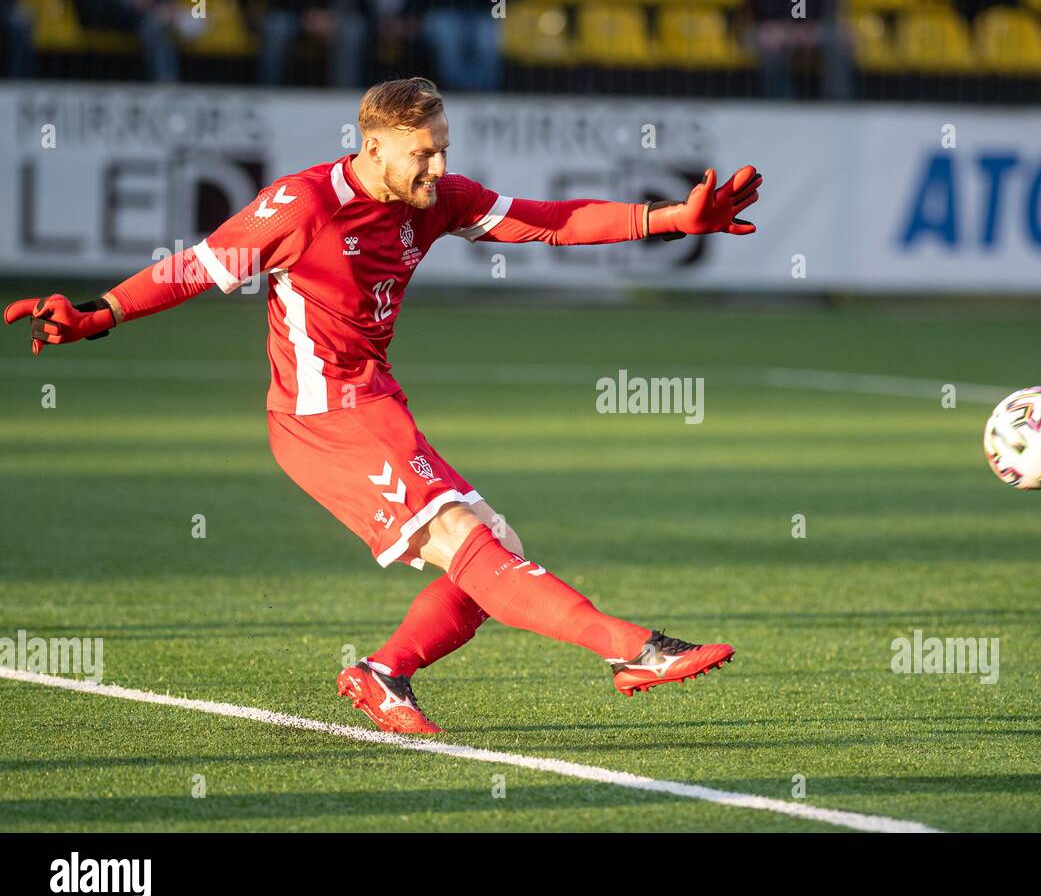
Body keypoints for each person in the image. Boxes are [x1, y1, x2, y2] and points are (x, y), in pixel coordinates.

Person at [4, 78, 761, 735]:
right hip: (321, 415)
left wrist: (670, 221)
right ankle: (636, 649)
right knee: (470, 540)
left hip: (373, 399)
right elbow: (198, 267)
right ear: (372, 149)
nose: (439, 166)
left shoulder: (434, 200)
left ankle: (383, 673)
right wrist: (100, 312)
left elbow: (548, 219)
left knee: (492, 542)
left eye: (443, 148)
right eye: (422, 153)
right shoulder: (301, 205)